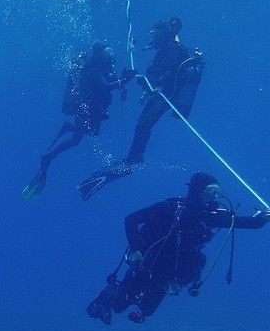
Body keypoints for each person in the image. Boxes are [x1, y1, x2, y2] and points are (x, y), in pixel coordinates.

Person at [86, 172, 270, 324]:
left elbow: (244, 222)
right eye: (212, 191)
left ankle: (138, 303)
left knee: (147, 311)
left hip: (169, 273)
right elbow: (131, 219)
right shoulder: (171, 207)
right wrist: (136, 249)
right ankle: (107, 296)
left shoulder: (211, 215)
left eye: (218, 192)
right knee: (118, 306)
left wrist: (262, 219)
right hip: (149, 262)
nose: (216, 196)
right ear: (199, 190)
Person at [78, 17, 204, 200]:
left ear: (163, 33)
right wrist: (149, 89)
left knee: (143, 125)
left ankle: (135, 157)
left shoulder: (171, 48)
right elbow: (163, 73)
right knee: (143, 124)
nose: (152, 36)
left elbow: (169, 75)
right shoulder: (170, 48)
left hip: (164, 96)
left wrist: (155, 88)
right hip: (162, 95)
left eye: (154, 33)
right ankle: (134, 156)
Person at [22, 41, 135, 200]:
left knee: (84, 136)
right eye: (107, 53)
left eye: (110, 52)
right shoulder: (93, 66)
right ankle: (52, 151)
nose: (110, 56)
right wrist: (123, 81)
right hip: (87, 107)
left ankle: (55, 147)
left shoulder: (105, 66)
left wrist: (123, 78)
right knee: (78, 138)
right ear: (99, 54)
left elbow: (112, 81)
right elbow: (104, 86)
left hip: (93, 108)